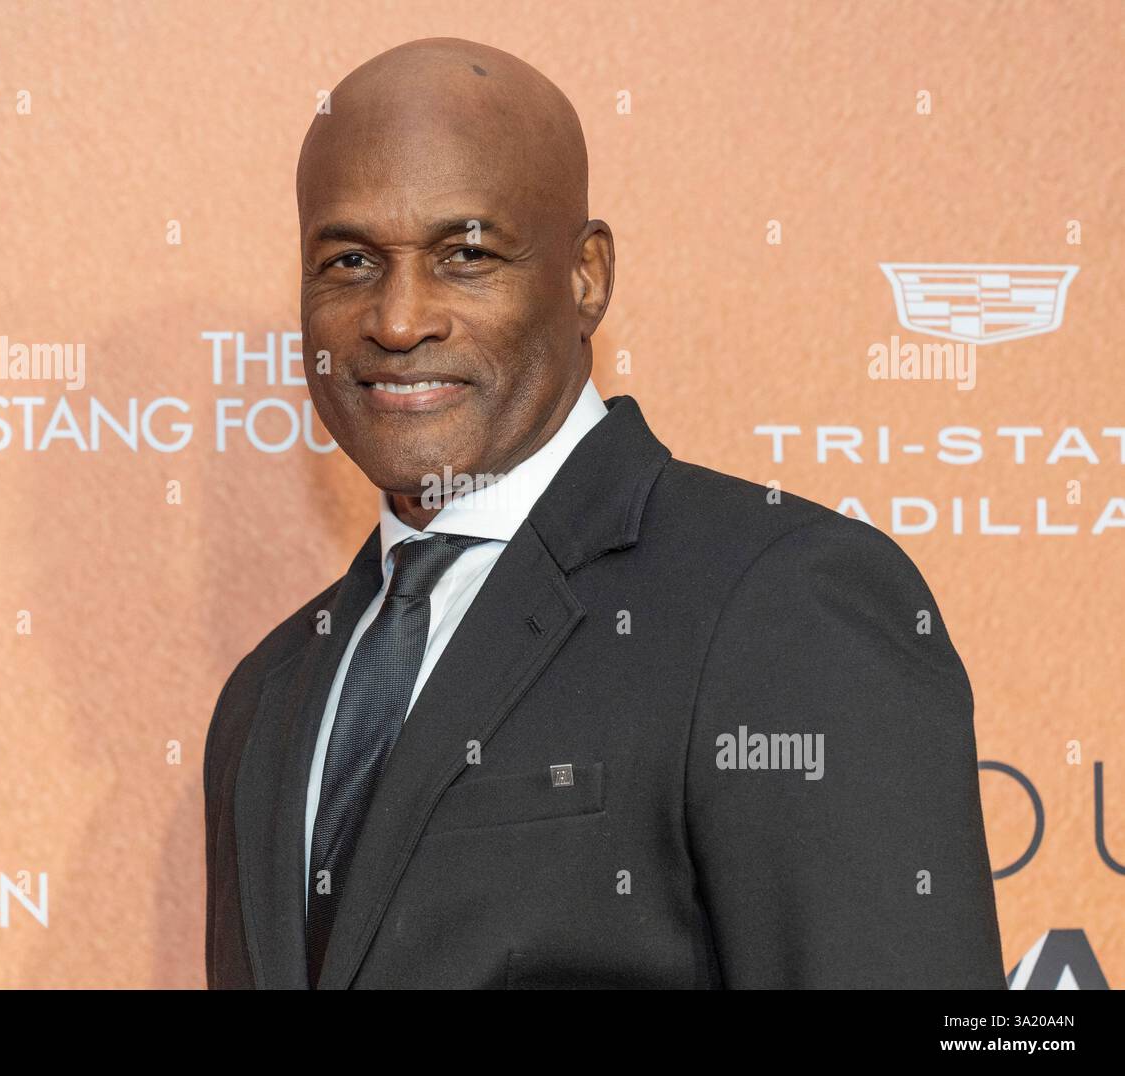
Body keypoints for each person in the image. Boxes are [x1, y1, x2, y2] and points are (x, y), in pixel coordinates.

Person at [203, 36, 1005, 989]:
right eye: (349, 261)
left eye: (465, 253)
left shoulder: (778, 603)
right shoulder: (269, 693)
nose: (398, 318)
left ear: (586, 276)